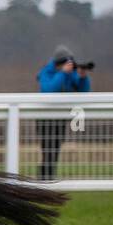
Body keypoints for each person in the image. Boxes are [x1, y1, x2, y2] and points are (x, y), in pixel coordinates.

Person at [34, 44, 92, 181]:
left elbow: (83, 91)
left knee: (55, 150)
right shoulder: (45, 72)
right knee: (47, 149)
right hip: (44, 118)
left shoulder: (69, 74)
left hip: (60, 117)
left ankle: (49, 177)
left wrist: (83, 77)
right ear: (59, 63)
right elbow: (49, 90)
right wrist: (62, 74)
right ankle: (44, 178)